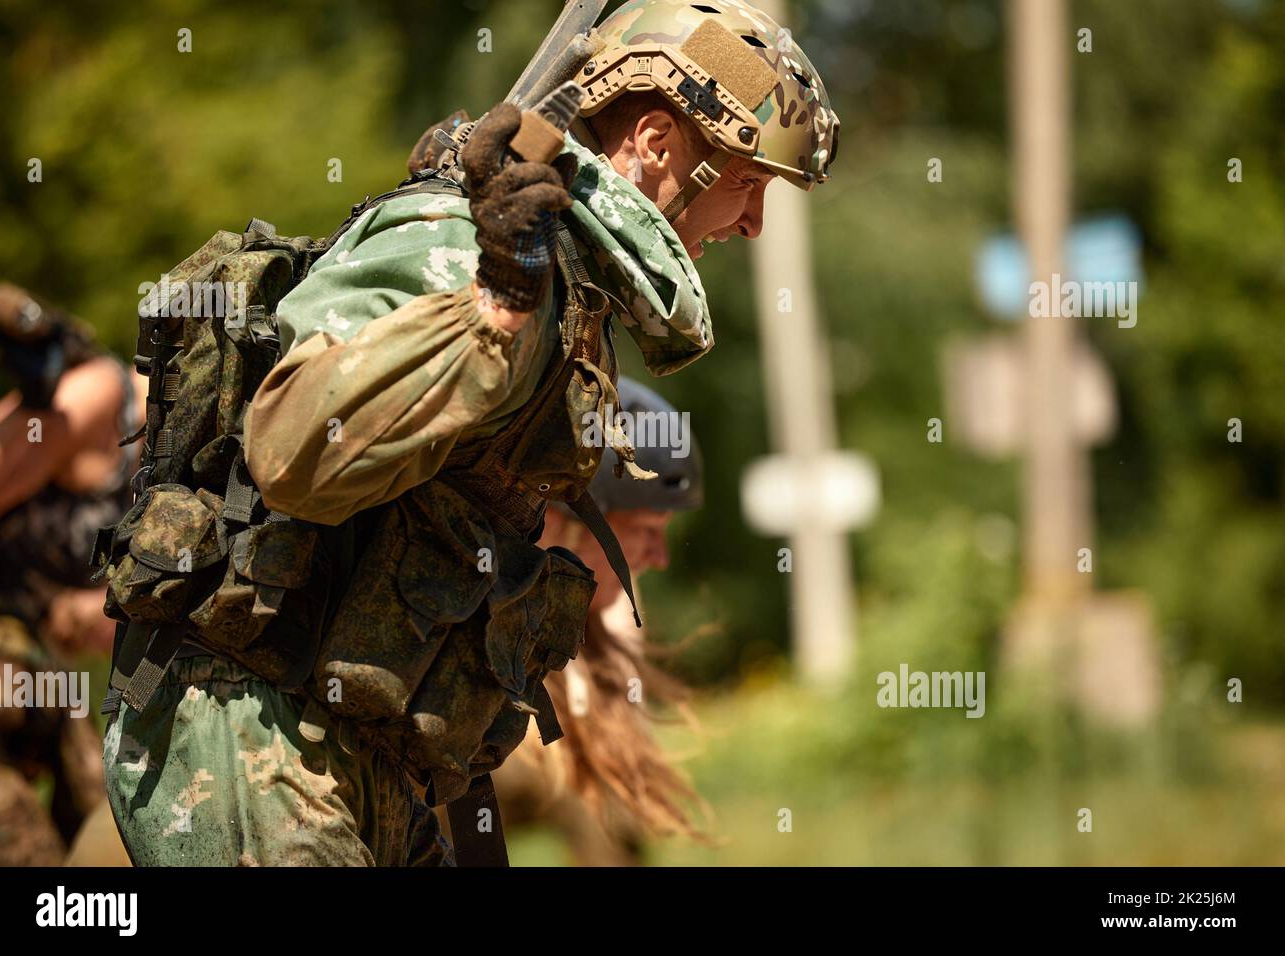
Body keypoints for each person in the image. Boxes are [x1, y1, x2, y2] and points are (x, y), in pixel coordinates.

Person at [103, 0, 838, 866]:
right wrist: (492, 310)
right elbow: (291, 451)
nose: (752, 222)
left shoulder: (554, 275)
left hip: (359, 750)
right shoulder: (465, 242)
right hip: (248, 723)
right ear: (656, 142)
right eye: (750, 181)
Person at [492, 377, 709, 866]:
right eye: (647, 532)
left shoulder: (604, 608)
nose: (660, 556)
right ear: (569, 521)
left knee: (609, 811)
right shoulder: (465, 584)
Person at [0, 281, 144, 865]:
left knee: (122, 834)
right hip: (2, 668)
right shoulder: (95, 398)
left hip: (48, 686)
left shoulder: (177, 468)